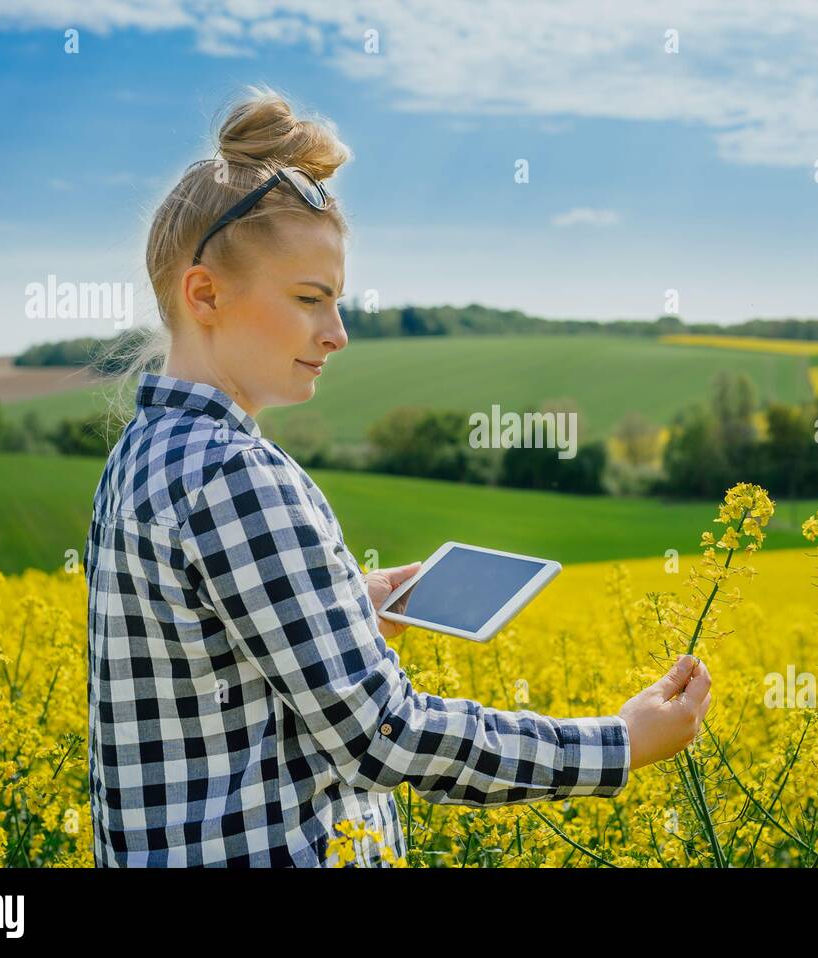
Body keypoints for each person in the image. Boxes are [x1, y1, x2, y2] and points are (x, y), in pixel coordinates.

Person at [85, 87, 712, 867]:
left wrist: (341, 614)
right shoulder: (233, 476)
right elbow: (387, 736)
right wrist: (615, 745)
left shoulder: (139, 457)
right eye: (311, 300)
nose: (338, 333)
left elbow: (198, 681)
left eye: (337, 302)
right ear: (205, 294)